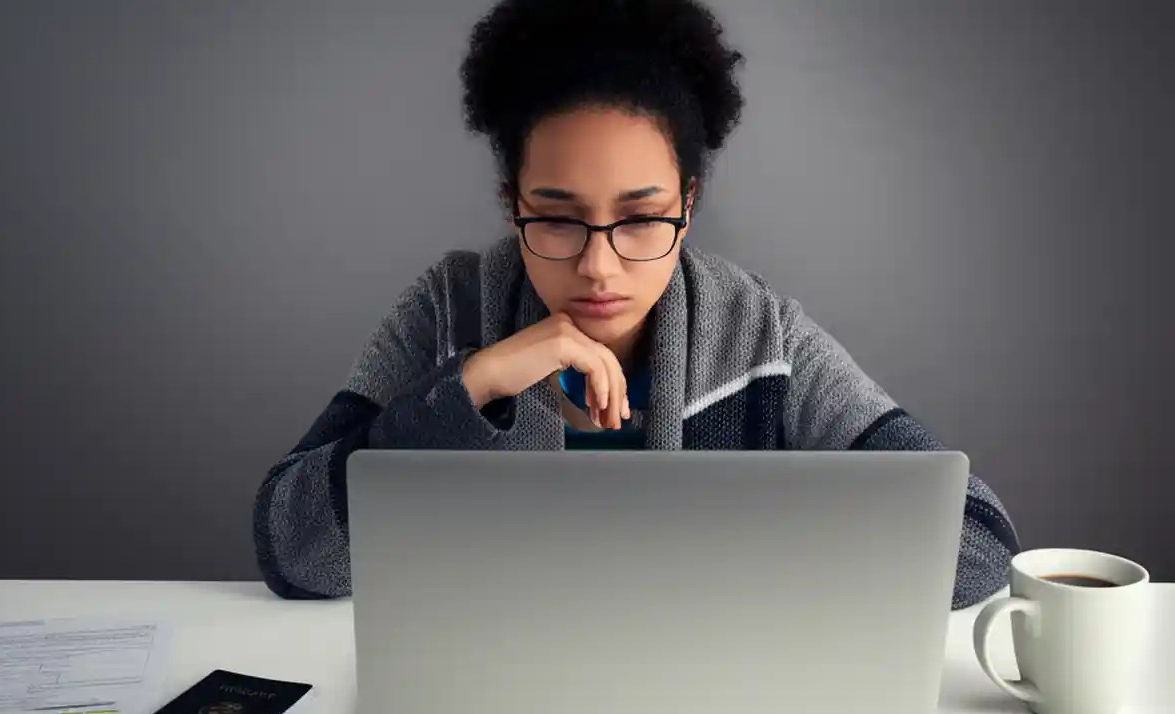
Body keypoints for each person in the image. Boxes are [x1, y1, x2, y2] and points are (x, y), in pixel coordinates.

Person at [253, 0, 1019, 608]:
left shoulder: (764, 336)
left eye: (641, 217)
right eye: (555, 216)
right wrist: (476, 383)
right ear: (509, 199)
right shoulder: (448, 311)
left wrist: (724, 575)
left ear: (687, 203)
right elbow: (292, 550)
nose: (598, 265)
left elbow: (978, 542)